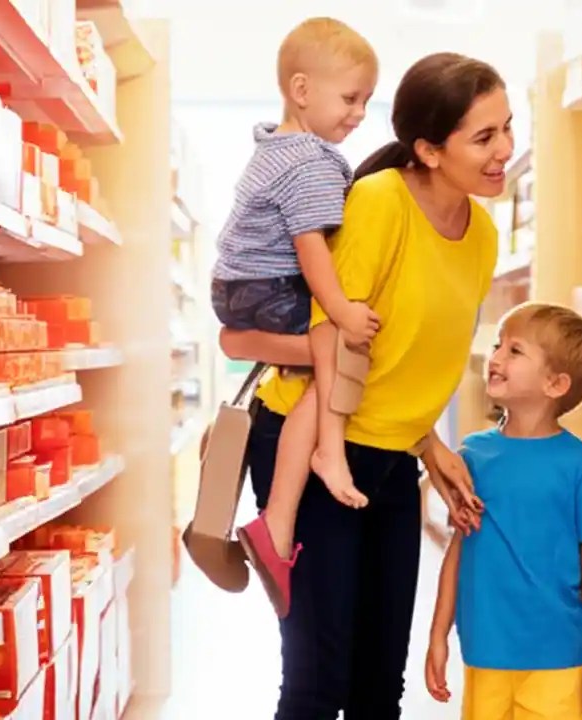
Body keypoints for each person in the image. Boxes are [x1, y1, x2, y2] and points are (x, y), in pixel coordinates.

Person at [242, 52, 514, 719]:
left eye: (508, 127)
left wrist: (430, 448)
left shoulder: (482, 235)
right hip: (310, 446)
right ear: (427, 148)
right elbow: (331, 331)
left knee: (379, 685)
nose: (505, 150)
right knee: (316, 683)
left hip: (390, 457)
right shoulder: (380, 201)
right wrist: (328, 447)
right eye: (485, 136)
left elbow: (396, 361)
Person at [207, 17, 381, 615]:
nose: (359, 113)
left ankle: (277, 518)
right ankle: (280, 517)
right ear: (301, 91)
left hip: (241, 291)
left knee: (321, 362)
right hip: (265, 288)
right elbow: (312, 253)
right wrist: (341, 314)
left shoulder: (276, 147)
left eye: (366, 100)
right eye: (350, 97)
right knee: (340, 353)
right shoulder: (309, 159)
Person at [425, 303, 582, 720]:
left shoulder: (581, 465)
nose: (495, 358)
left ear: (555, 383)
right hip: (485, 647)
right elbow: (458, 550)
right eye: (498, 345)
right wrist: (438, 634)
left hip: (559, 651)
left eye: (515, 351)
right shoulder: (472, 456)